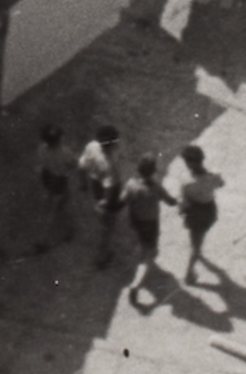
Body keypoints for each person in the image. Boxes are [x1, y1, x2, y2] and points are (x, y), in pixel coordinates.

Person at [124, 154, 177, 296]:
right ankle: (136, 285)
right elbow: (171, 201)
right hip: (150, 224)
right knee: (149, 254)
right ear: (153, 171)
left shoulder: (130, 184)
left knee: (141, 243)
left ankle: (144, 263)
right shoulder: (156, 188)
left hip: (135, 220)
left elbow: (123, 200)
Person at [78, 125, 126, 267]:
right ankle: (103, 255)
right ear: (112, 144)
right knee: (107, 224)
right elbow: (110, 188)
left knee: (101, 208)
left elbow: (81, 166)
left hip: (94, 182)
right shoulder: (110, 164)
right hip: (108, 191)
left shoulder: (91, 146)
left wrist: (83, 184)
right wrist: (105, 203)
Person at [176, 145, 224, 282]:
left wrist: (181, 210)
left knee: (195, 245)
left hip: (194, 213)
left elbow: (183, 202)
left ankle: (189, 273)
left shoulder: (187, 182)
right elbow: (221, 184)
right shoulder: (213, 176)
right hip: (208, 210)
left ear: (191, 163)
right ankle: (194, 261)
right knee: (199, 239)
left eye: (186, 162)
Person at [37, 123, 75, 248]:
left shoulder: (42, 148)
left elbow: (42, 164)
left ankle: (45, 208)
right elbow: (73, 165)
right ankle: (43, 241)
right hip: (59, 180)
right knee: (58, 206)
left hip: (47, 176)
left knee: (49, 197)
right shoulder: (65, 152)